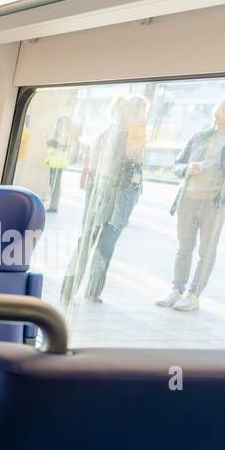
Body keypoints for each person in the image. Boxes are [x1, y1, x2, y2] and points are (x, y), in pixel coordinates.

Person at [60, 96, 146, 305]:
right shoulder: (131, 133)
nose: (144, 117)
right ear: (134, 114)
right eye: (142, 112)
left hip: (98, 194)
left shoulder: (105, 132)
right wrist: (139, 132)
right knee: (105, 243)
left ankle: (68, 289)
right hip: (114, 197)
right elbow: (132, 155)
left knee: (87, 239)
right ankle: (93, 291)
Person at [158, 95, 225, 312]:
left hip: (214, 204)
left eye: (224, 110)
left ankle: (193, 294)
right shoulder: (199, 136)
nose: (219, 114)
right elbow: (176, 165)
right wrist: (188, 168)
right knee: (184, 248)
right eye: (219, 109)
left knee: (207, 251)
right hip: (187, 200)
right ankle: (176, 290)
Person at [44, 115, 75, 213]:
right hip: (54, 162)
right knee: (52, 183)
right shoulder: (57, 134)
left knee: (55, 185)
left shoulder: (65, 135)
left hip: (58, 164)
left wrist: (51, 141)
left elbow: (62, 146)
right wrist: (49, 142)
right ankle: (52, 203)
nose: (58, 125)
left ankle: (53, 206)